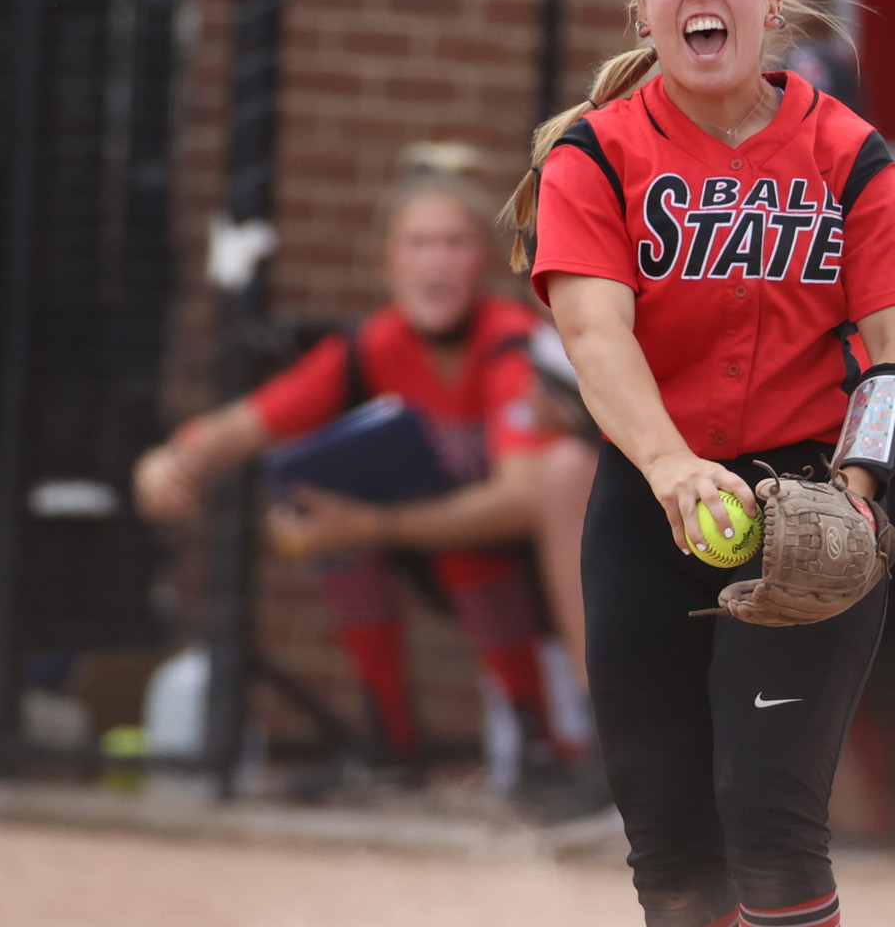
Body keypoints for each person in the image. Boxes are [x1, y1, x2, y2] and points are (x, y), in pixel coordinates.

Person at [507, 0, 895, 927]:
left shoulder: (845, 152)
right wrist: (667, 466)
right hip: (649, 511)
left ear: (771, 2)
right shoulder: (596, 156)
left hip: (807, 512)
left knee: (769, 824)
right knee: (670, 845)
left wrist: (857, 481)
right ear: (647, 9)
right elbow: (594, 333)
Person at [133, 164, 590, 786]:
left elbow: (522, 498)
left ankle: (543, 746)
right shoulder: (374, 346)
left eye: (454, 244)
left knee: (456, 547)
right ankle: (392, 745)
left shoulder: (511, 343)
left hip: (552, 573)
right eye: (418, 244)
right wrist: (169, 461)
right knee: (326, 518)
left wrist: (376, 521)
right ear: (388, 263)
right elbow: (246, 425)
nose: (437, 262)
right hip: (437, 547)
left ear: (483, 261)